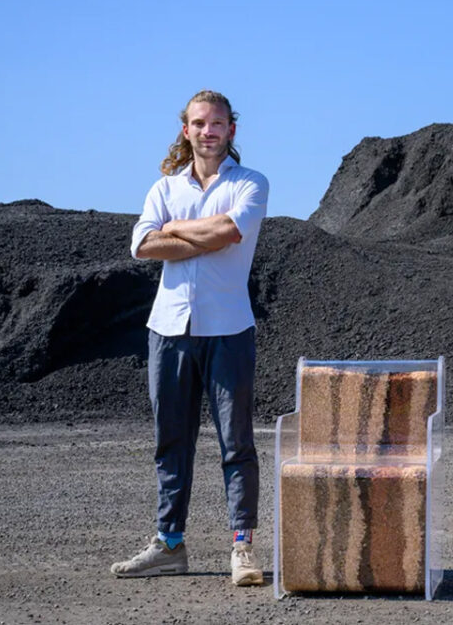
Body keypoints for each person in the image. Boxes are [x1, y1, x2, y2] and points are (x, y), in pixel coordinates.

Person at [111, 90, 269, 586]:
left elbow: (229, 231)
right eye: (199, 123)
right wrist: (197, 232)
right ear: (187, 130)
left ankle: (242, 546)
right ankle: (169, 544)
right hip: (169, 329)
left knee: (236, 442)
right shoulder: (164, 187)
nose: (208, 131)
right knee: (171, 441)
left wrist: (177, 231)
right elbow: (142, 244)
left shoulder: (251, 183)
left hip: (228, 329)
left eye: (217, 123)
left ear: (231, 130)